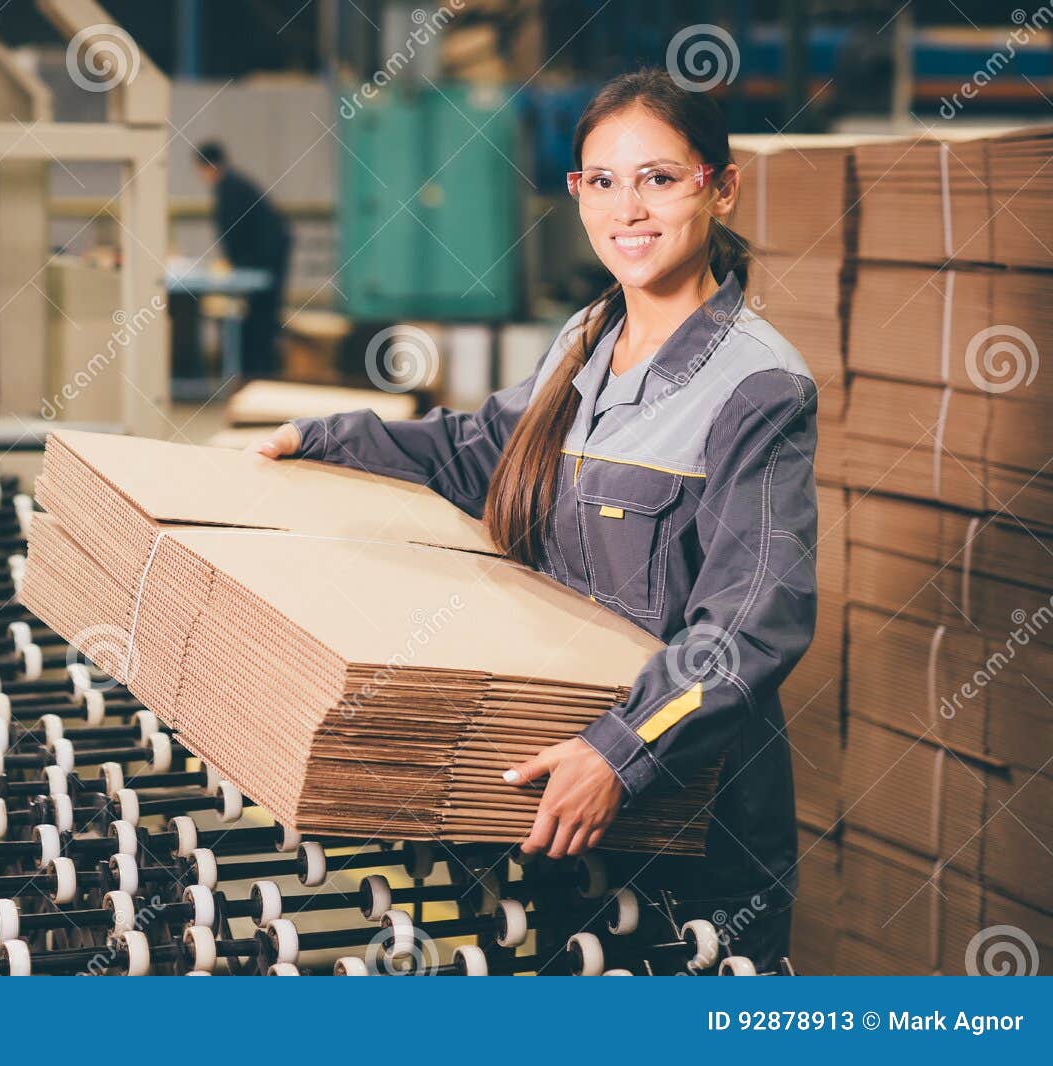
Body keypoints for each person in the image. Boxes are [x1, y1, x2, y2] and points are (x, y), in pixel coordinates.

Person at [250, 68, 816, 971]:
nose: (627, 208)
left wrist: (619, 753)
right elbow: (482, 452)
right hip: (550, 795)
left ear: (721, 185)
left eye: (659, 178)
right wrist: (323, 438)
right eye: (602, 181)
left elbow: (754, 622)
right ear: (575, 194)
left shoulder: (757, 385)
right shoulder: (587, 337)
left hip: (688, 821)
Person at [194, 142, 292, 379]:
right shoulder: (236, 183)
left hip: (266, 260)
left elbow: (231, 233)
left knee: (261, 320)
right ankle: (258, 376)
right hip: (267, 257)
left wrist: (235, 263)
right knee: (261, 319)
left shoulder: (229, 188)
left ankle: (256, 377)